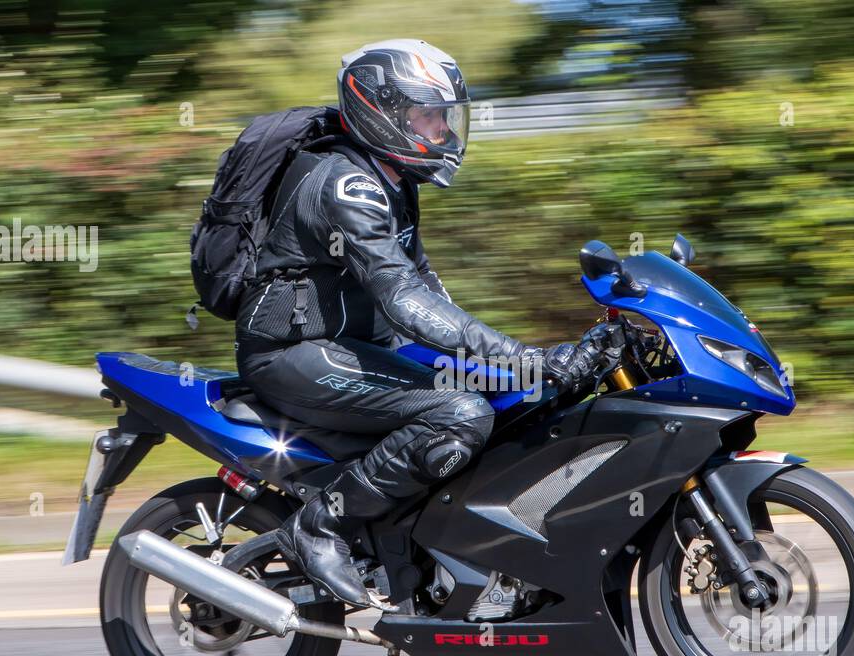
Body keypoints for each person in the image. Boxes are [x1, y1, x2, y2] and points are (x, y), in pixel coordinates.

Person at [236, 39, 601, 609]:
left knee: (518, 396)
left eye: (445, 117)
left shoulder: (391, 179)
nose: (442, 131)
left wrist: (527, 363)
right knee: (461, 412)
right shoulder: (344, 183)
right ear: (381, 111)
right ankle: (319, 526)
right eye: (427, 116)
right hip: (294, 353)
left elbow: (427, 289)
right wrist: (520, 354)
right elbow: (403, 299)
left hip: (357, 346)